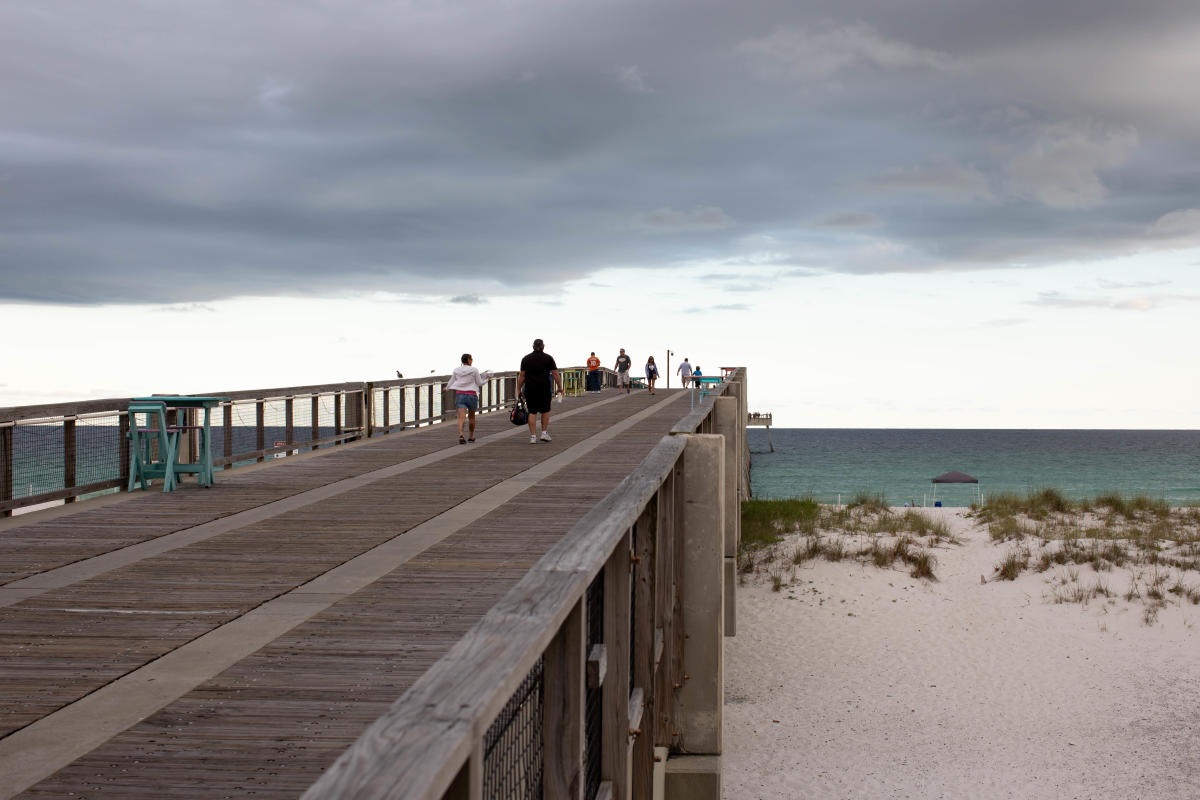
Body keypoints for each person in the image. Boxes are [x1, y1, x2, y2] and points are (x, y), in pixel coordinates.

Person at [517, 338, 562, 443]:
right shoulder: (548, 358)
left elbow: (522, 376)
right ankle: (544, 433)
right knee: (545, 410)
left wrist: (518, 389)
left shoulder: (526, 359)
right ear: (543, 346)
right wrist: (560, 387)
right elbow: (555, 374)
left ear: (533, 346)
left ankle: (533, 437)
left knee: (532, 412)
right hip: (544, 388)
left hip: (530, 388)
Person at [445, 353, 490, 444]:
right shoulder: (474, 370)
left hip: (460, 395)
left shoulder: (456, 370)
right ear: (469, 360)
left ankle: (461, 436)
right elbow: (479, 383)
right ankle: (470, 436)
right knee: (471, 417)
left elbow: (451, 381)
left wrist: (446, 388)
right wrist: (487, 379)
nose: (472, 360)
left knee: (461, 418)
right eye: (471, 359)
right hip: (472, 395)